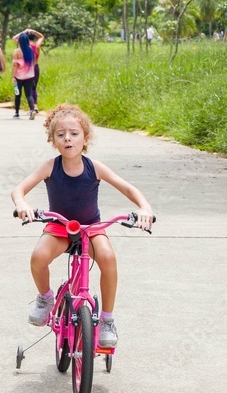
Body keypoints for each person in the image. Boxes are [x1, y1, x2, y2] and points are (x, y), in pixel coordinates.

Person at [11, 104, 154, 348]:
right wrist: (23, 204)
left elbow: (127, 187)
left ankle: (107, 319)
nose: (68, 138)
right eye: (60, 134)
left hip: (91, 227)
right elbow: (19, 189)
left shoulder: (95, 167)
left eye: (74, 133)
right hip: (60, 227)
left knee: (108, 258)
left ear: (85, 138)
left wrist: (145, 208)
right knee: (38, 257)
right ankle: (45, 298)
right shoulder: (50, 167)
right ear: (53, 140)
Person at [14, 28, 45, 111]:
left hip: (24, 69)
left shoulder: (24, 46)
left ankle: (22, 109)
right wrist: (34, 31)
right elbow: (42, 37)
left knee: (23, 90)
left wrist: (24, 31)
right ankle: (34, 105)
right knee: (33, 87)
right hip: (35, 68)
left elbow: (14, 38)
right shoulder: (37, 46)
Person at [11, 34, 38, 119]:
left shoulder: (17, 51)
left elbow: (15, 66)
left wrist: (13, 76)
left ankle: (16, 113)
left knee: (17, 94)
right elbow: (33, 64)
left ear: (19, 41)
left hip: (19, 77)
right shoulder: (31, 51)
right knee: (29, 95)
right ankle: (32, 110)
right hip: (30, 76)